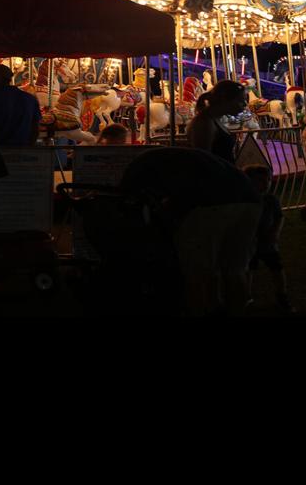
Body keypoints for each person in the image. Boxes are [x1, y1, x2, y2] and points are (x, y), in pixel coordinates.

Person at [118, 147, 261, 316]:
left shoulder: (141, 173)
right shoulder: (166, 160)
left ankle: (201, 308)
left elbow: (167, 202)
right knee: (234, 268)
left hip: (210, 204)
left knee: (196, 272)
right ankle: (231, 309)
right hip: (249, 200)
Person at [244, 165, 291, 314]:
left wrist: (275, 232)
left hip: (268, 242)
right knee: (249, 268)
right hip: (250, 242)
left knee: (277, 268)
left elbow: (279, 217)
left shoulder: (271, 200)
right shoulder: (247, 200)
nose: (266, 184)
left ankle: (282, 295)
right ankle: (246, 296)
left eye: (269, 180)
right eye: (261, 181)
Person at [189, 81, 242, 164]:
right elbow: (204, 159)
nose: (244, 104)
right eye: (240, 100)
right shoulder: (205, 122)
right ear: (226, 99)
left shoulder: (215, 119)